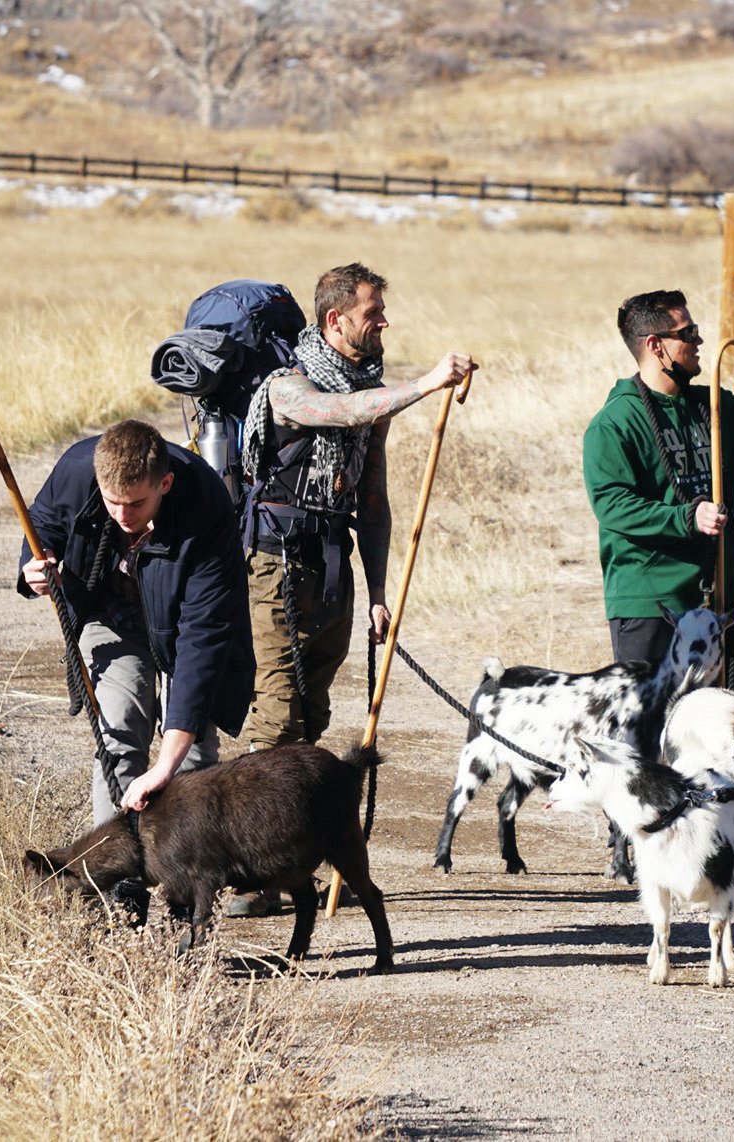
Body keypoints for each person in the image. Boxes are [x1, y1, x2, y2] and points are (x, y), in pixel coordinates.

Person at [232, 262, 475, 915]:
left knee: (312, 716)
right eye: (372, 313)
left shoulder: (371, 397)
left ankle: (290, 857)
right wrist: (423, 386)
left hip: (332, 564)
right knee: (279, 711)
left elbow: (372, 503)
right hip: (275, 561)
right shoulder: (288, 387)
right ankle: (251, 871)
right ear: (336, 321)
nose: (383, 322)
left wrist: (376, 591)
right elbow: (338, 414)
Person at [19, 418, 255, 822]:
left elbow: (202, 640)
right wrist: (35, 564)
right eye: (112, 502)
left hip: (185, 625)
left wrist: (164, 767)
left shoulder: (207, 506)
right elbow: (43, 521)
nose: (122, 515)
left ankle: (189, 875)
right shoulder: (77, 469)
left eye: (136, 504)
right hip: (111, 616)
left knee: (190, 759)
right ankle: (118, 872)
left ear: (164, 484)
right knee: (120, 732)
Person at [582, 290, 734, 691]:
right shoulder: (614, 424)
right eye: (689, 333)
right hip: (652, 601)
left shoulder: (712, 407)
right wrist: (687, 517)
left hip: (714, 600)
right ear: (655, 345)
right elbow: (612, 504)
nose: (700, 341)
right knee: (652, 737)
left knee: (722, 731)